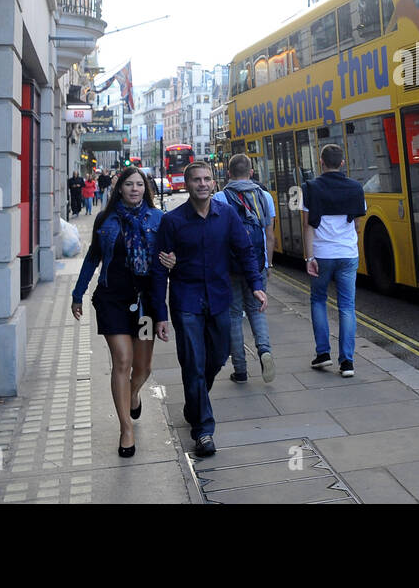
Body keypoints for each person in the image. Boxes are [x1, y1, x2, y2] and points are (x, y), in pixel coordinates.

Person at [152, 162, 265, 458]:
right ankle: (203, 430)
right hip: (186, 301)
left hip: (218, 298)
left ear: (214, 183)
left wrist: (256, 284)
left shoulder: (226, 215)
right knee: (193, 364)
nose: (202, 184)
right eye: (196, 180)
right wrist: (160, 314)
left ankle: (193, 404)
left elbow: (245, 251)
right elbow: (158, 270)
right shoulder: (172, 222)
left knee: (216, 358)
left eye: (207, 179)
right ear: (187, 185)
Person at [70, 166, 162, 457]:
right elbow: (92, 258)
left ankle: (133, 394)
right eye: (129, 184)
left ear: (144, 189)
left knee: (143, 367)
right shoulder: (105, 219)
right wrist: (78, 294)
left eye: (139, 185)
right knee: (122, 360)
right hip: (111, 299)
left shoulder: (158, 219)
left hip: (145, 304)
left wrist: (172, 261)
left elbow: (173, 256)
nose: (134, 189)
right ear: (119, 188)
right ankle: (126, 429)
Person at [302, 144, 366, 379]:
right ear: (342, 163)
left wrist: (309, 257)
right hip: (348, 254)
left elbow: (308, 225)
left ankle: (323, 353)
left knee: (318, 300)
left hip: (322, 254)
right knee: (347, 306)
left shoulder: (310, 188)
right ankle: (347, 361)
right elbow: (357, 224)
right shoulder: (356, 188)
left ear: (321, 162)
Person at [212, 153, 276, 383]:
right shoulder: (265, 196)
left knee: (233, 315)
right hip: (256, 263)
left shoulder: (219, 196)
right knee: (257, 310)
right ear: (251, 172)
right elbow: (269, 234)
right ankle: (265, 351)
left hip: (229, 267)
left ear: (228, 173)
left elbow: (216, 235)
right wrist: (267, 263)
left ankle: (240, 370)